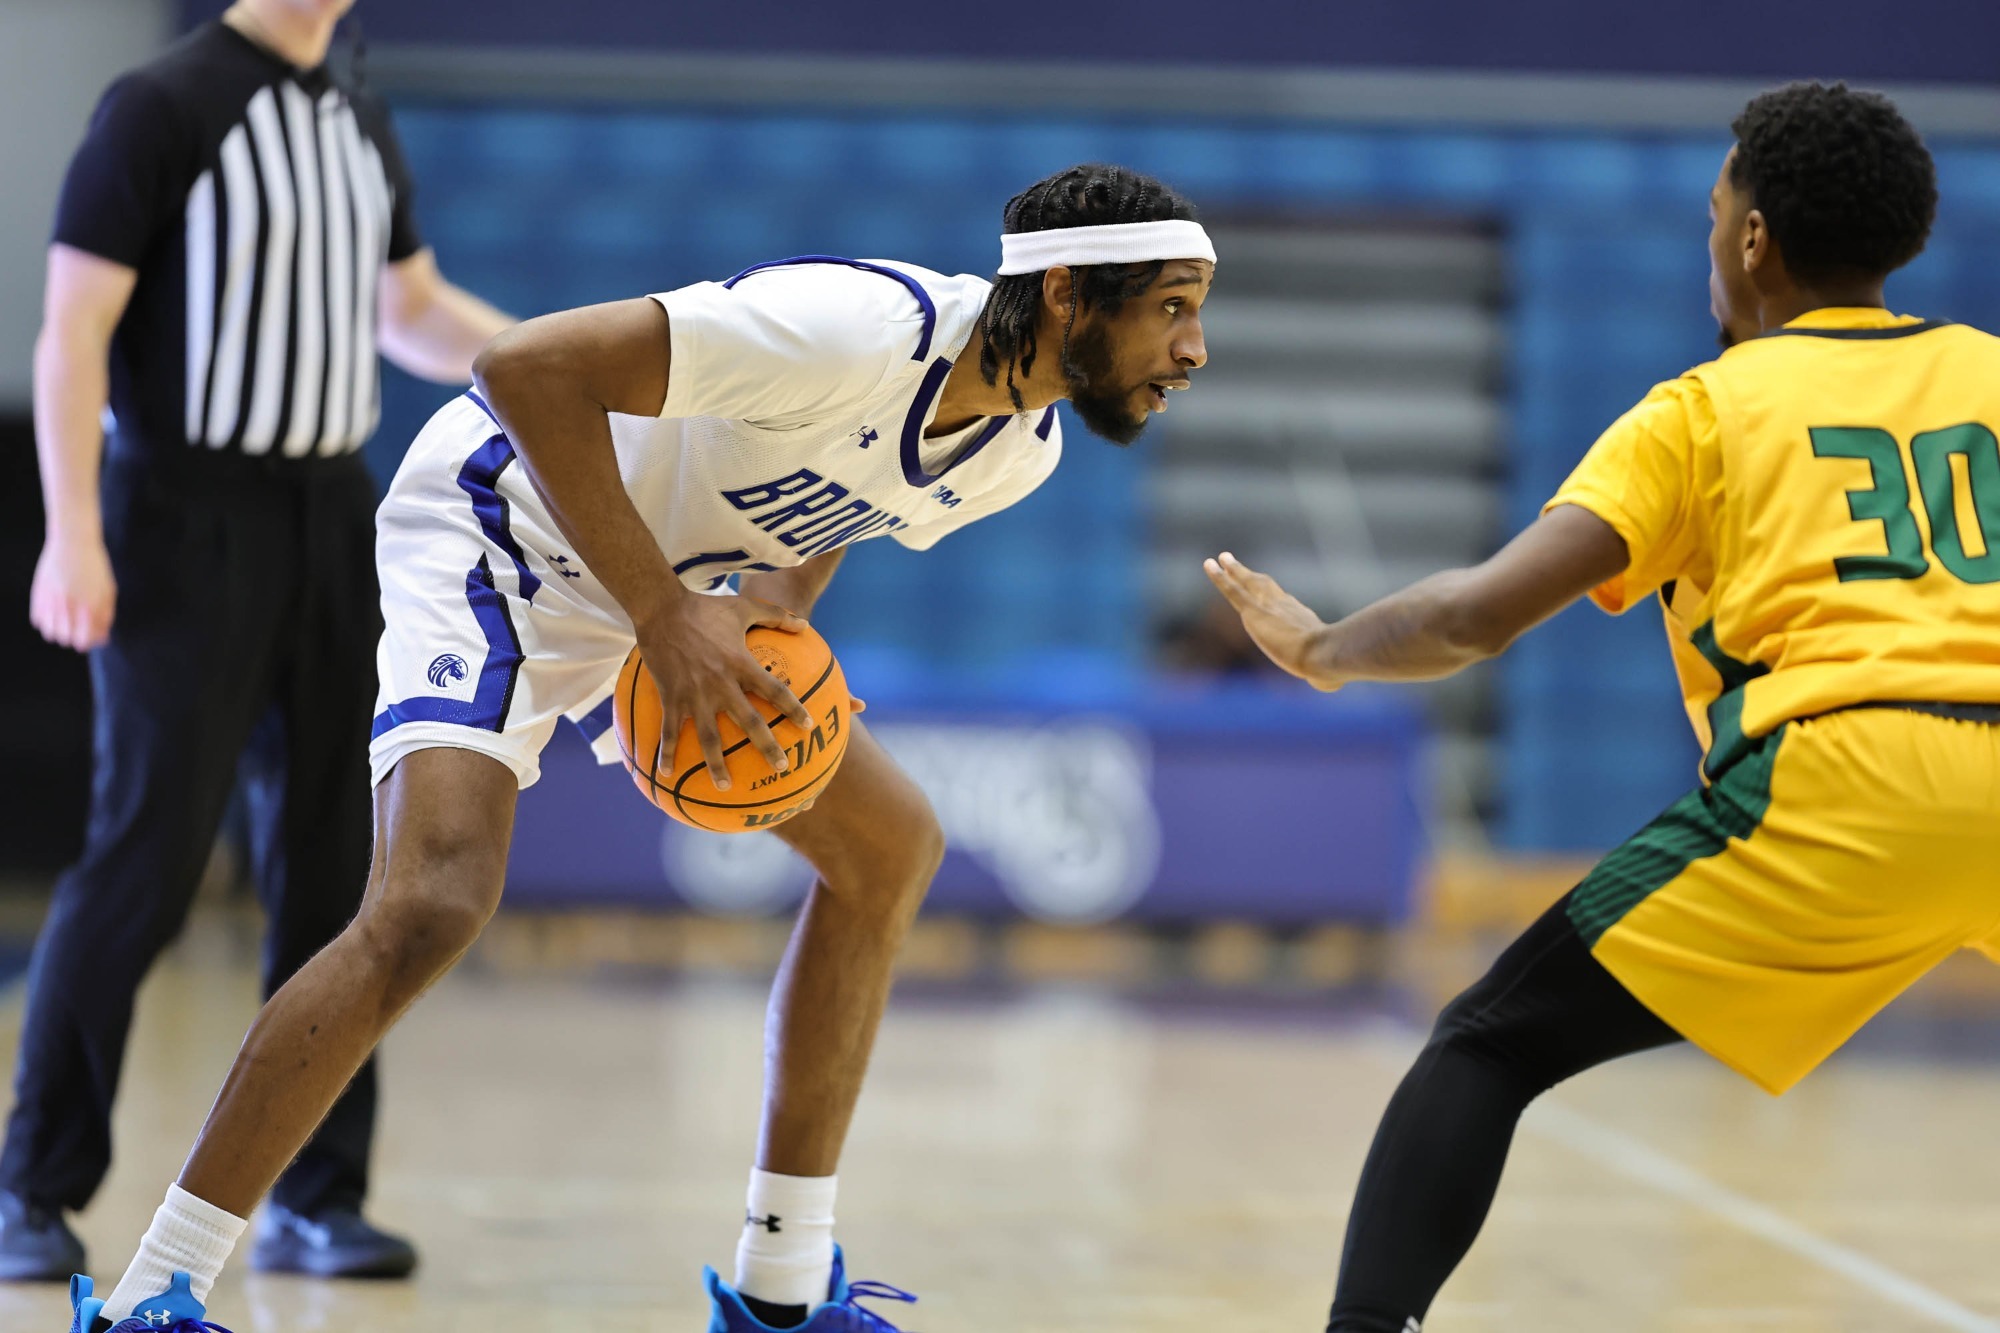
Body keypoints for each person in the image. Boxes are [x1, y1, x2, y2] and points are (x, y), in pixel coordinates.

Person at [59, 161, 1214, 1333]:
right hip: (503, 520)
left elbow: (840, 502)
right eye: (1171, 306)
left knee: (888, 846)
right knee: (433, 899)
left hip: (660, 586)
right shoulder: (854, 326)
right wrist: (662, 615)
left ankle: (777, 1288)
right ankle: (154, 1293)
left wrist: (770, 616)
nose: (1193, 348)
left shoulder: (1017, 451)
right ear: (1065, 293)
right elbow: (521, 368)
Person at [1205, 81, 2000, 1331]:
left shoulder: (1703, 409)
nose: (1709, 240)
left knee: (1487, 1041)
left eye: (1713, 212)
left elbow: (1474, 615)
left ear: (1751, 239)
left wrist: (1318, 646)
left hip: (1845, 774)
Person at [11, 0, 512, 1286]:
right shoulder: (161, 105)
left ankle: (316, 1195)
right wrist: (73, 531)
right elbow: (75, 328)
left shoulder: (355, 113)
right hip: (182, 512)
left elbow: (408, 309)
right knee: (150, 855)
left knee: (341, 867)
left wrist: (547, 362)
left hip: (332, 514)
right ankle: (33, 1186)